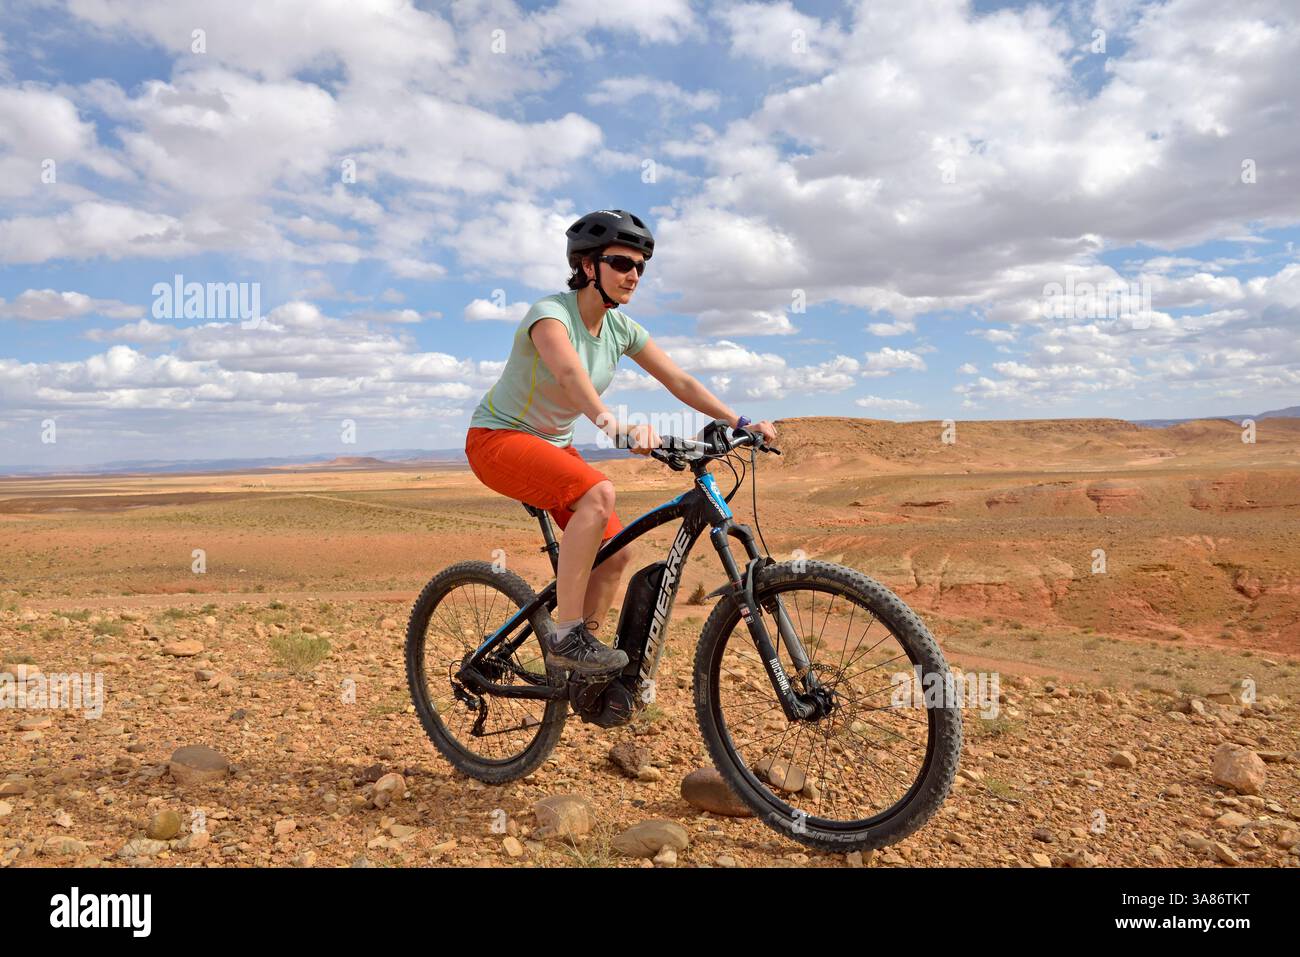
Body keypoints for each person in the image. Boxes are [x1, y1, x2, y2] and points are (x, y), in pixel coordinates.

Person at [465, 209, 777, 675]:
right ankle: (566, 636)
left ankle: (581, 670)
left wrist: (740, 420)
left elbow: (679, 380)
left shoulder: (620, 329)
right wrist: (615, 427)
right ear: (589, 266)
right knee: (599, 492)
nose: (633, 275)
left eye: (640, 267)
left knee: (616, 555)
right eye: (621, 263)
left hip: (553, 447)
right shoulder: (550, 315)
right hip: (499, 439)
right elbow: (570, 375)